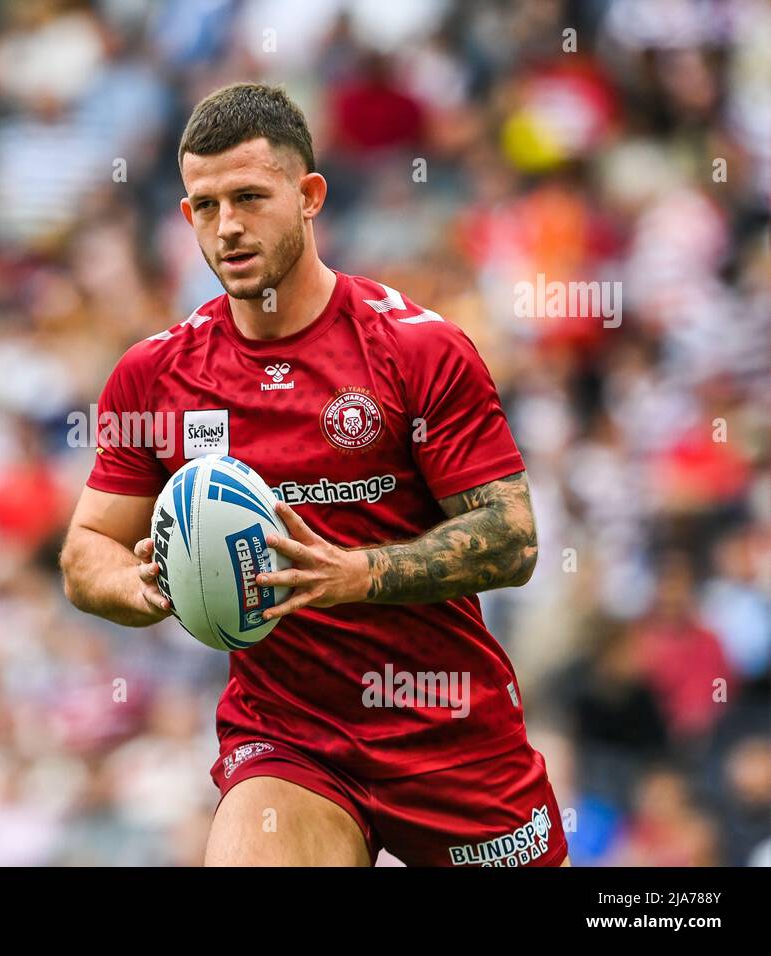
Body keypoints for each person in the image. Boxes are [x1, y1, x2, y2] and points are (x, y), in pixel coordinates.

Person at [59, 82, 570, 867]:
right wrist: (147, 586)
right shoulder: (155, 374)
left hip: (447, 729)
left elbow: (512, 540)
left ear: (309, 197)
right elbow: (87, 548)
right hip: (289, 740)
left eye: (249, 198)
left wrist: (356, 573)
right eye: (203, 205)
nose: (226, 226)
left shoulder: (416, 350)